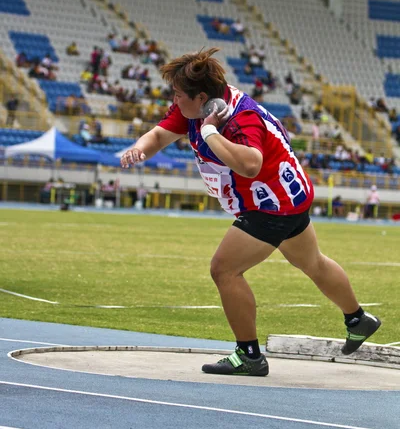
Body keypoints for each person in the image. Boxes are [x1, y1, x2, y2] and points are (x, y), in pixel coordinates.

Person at [120, 48, 381, 377]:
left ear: (202, 97)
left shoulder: (241, 118)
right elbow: (159, 134)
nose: (173, 100)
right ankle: (358, 319)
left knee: (224, 270)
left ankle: (249, 356)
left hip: (271, 204)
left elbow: (249, 164)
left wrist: (211, 133)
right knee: (312, 262)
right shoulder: (197, 109)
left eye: (177, 94)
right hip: (289, 197)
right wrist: (139, 148)